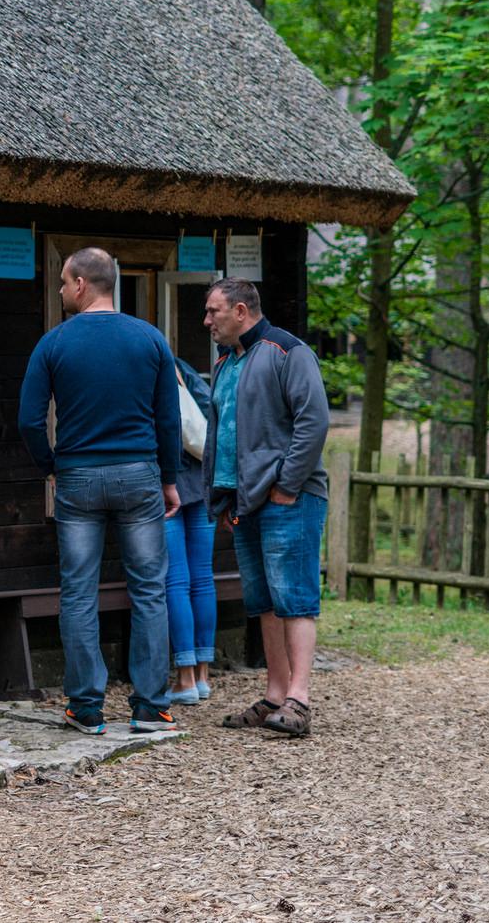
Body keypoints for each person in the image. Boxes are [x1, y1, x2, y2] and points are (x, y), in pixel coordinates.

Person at [17, 247, 181, 735]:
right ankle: (151, 708)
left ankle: (86, 707)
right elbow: (168, 420)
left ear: (83, 285)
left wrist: (51, 465)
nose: (62, 291)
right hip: (139, 474)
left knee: (78, 592)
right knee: (150, 590)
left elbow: (29, 419)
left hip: (78, 478)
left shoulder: (53, 344)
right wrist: (168, 478)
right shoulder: (151, 339)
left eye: (64, 283)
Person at [203, 277, 331, 739]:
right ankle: (276, 695)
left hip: (288, 498)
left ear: (241, 310)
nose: (207, 321)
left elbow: (313, 421)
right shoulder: (225, 362)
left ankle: (299, 699)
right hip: (244, 500)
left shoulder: (287, 351)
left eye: (214, 311)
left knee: (294, 597)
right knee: (264, 602)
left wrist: (287, 485)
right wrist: (222, 495)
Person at [166, 356, 218, 705]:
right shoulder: (181, 367)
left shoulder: (148, 370)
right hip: (203, 481)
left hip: (167, 486)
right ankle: (202, 674)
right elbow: (209, 412)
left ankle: (184, 678)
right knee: (203, 577)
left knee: (175, 580)